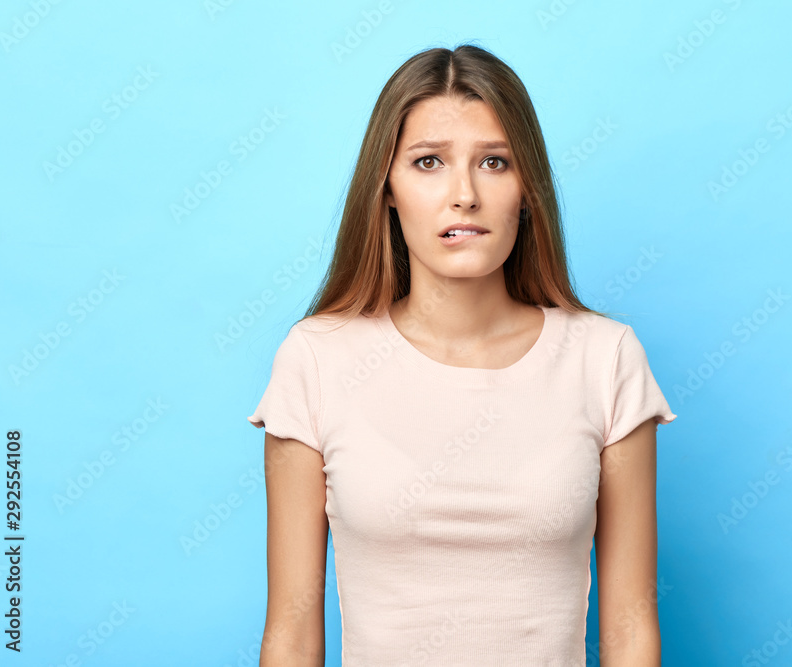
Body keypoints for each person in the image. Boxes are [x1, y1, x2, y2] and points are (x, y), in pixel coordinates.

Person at [247, 42, 677, 667]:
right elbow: (290, 633)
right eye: (428, 162)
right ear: (386, 189)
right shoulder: (317, 359)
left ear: (527, 188)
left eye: (495, 163)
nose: (464, 195)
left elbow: (632, 631)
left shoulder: (605, 359)